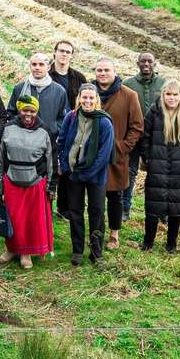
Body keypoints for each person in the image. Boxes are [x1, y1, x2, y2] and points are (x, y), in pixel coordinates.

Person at [139, 78, 180, 252]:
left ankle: (171, 243)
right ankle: (148, 241)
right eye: (168, 94)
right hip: (157, 165)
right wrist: (148, 157)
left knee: (176, 207)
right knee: (153, 205)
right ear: (163, 95)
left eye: (175, 95)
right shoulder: (154, 112)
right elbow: (144, 136)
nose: (171, 98)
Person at [56, 83, 115, 265]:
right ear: (79, 98)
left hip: (95, 176)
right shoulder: (71, 117)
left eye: (91, 98)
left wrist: (87, 173)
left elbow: (104, 155)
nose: (87, 101)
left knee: (96, 211)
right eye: (84, 97)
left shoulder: (104, 122)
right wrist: (66, 167)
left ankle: (96, 253)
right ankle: (77, 250)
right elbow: (62, 142)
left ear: (96, 99)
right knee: (75, 211)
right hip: (73, 175)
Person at [93, 57, 145, 251]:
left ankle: (114, 233)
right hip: (93, 156)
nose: (103, 73)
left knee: (115, 196)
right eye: (99, 70)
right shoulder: (89, 93)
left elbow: (137, 126)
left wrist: (122, 147)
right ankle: (96, 232)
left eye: (106, 70)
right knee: (95, 197)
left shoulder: (128, 95)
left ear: (114, 72)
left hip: (116, 156)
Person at [0, 96, 54, 267]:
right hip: (12, 180)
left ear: (37, 112)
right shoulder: (8, 128)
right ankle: (12, 249)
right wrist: (0, 182)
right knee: (13, 218)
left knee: (30, 219)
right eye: (25, 110)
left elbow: (51, 159)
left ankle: (26, 253)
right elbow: (1, 157)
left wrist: (52, 185)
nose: (28, 114)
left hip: (35, 181)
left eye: (32, 111)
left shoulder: (45, 130)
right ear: (19, 110)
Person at [122, 52, 165, 220]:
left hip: (156, 138)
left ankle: (160, 210)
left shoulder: (164, 84)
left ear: (155, 64)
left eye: (150, 61)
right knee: (130, 171)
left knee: (157, 173)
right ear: (137, 63)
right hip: (133, 136)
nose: (146, 64)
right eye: (143, 61)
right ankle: (125, 208)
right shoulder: (128, 84)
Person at [7, 52, 70, 137]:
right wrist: (20, 127)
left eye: (41, 64)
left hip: (47, 138)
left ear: (48, 67)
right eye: (34, 64)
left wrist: (52, 130)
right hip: (22, 137)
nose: (37, 67)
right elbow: (11, 113)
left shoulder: (59, 91)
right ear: (30, 67)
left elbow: (64, 118)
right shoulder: (19, 88)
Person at [51, 40, 87, 107]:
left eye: (68, 52)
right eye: (61, 51)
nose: (64, 54)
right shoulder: (46, 75)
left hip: (73, 116)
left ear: (71, 56)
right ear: (54, 52)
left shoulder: (80, 78)